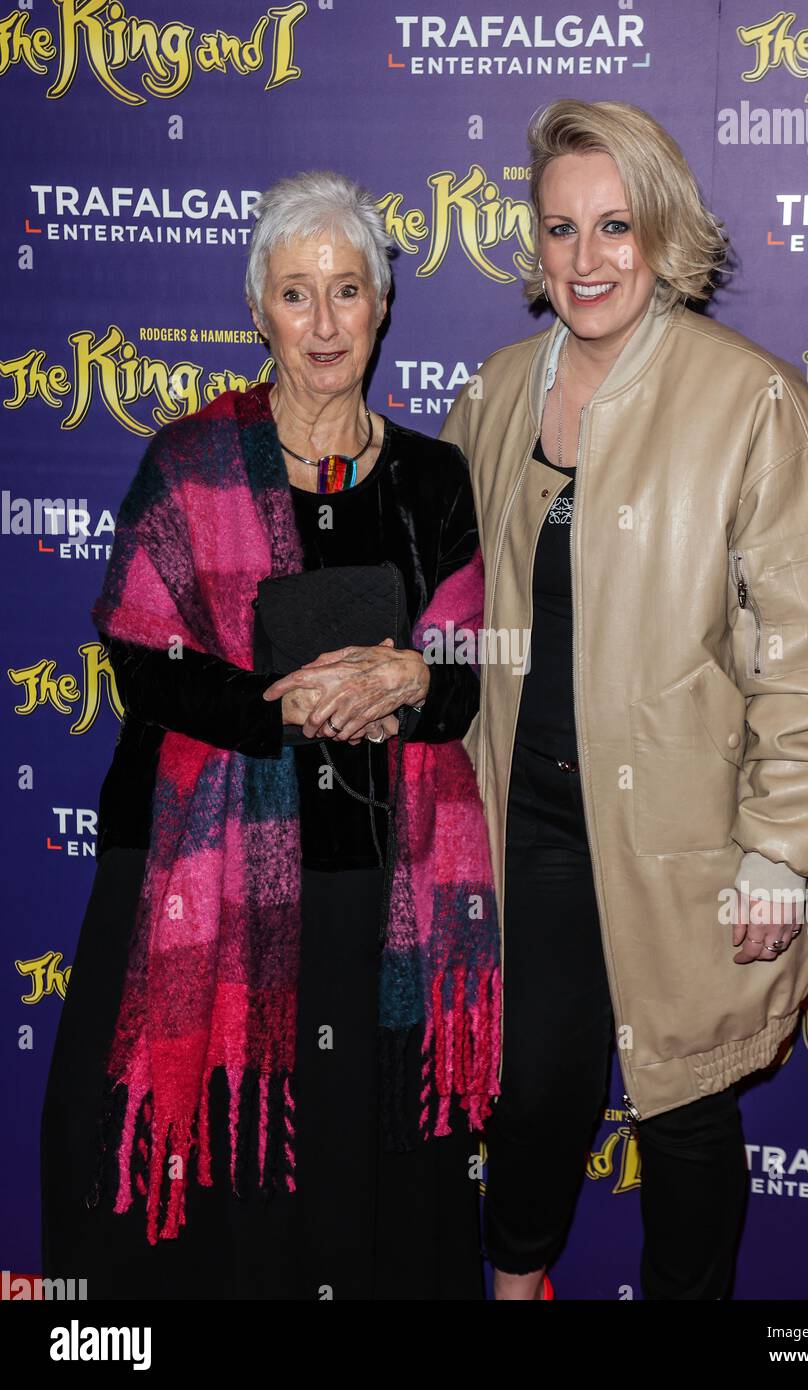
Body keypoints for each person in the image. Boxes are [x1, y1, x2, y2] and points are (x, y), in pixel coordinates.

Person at [438, 99, 808, 1300]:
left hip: (692, 832)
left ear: (665, 232)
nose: (587, 260)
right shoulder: (494, 395)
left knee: (685, 1104)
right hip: (527, 822)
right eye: (560, 229)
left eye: (616, 227)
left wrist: (786, 852)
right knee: (531, 1083)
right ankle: (515, 1281)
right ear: (533, 246)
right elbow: (467, 616)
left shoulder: (750, 404)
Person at [40, 169, 500, 1301]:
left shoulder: (436, 478)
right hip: (204, 872)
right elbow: (141, 660)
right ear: (260, 313)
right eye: (298, 295)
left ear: (383, 306)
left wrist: (410, 675)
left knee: (357, 1149)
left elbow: (471, 676)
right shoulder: (189, 460)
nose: (327, 322)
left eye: (348, 290)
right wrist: (272, 706)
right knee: (220, 1176)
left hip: (381, 877)